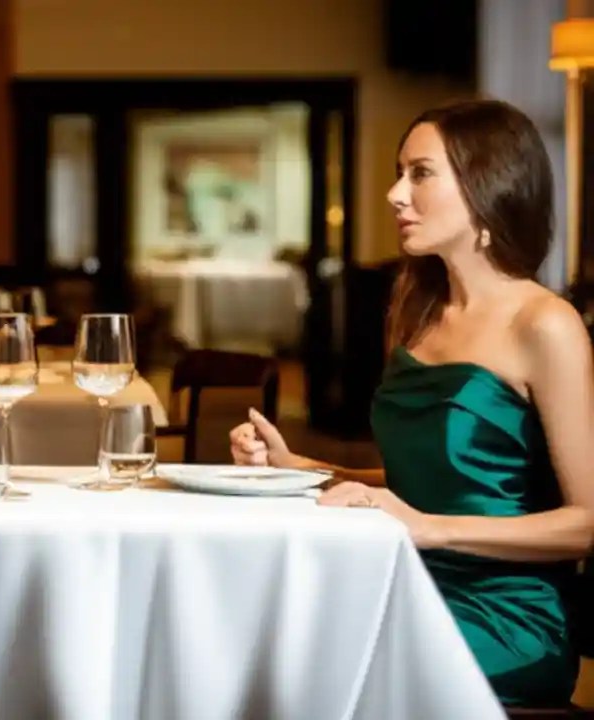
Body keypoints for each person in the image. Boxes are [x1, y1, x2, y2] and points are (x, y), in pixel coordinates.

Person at [229, 99, 594, 707]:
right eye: (400, 174)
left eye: (420, 173)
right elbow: (421, 487)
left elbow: (586, 523)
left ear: (487, 183)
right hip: (404, 581)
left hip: (506, 618)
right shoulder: (419, 315)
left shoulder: (545, 324)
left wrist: (430, 530)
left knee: (311, 665)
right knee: (254, 630)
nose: (396, 194)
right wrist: (301, 469)